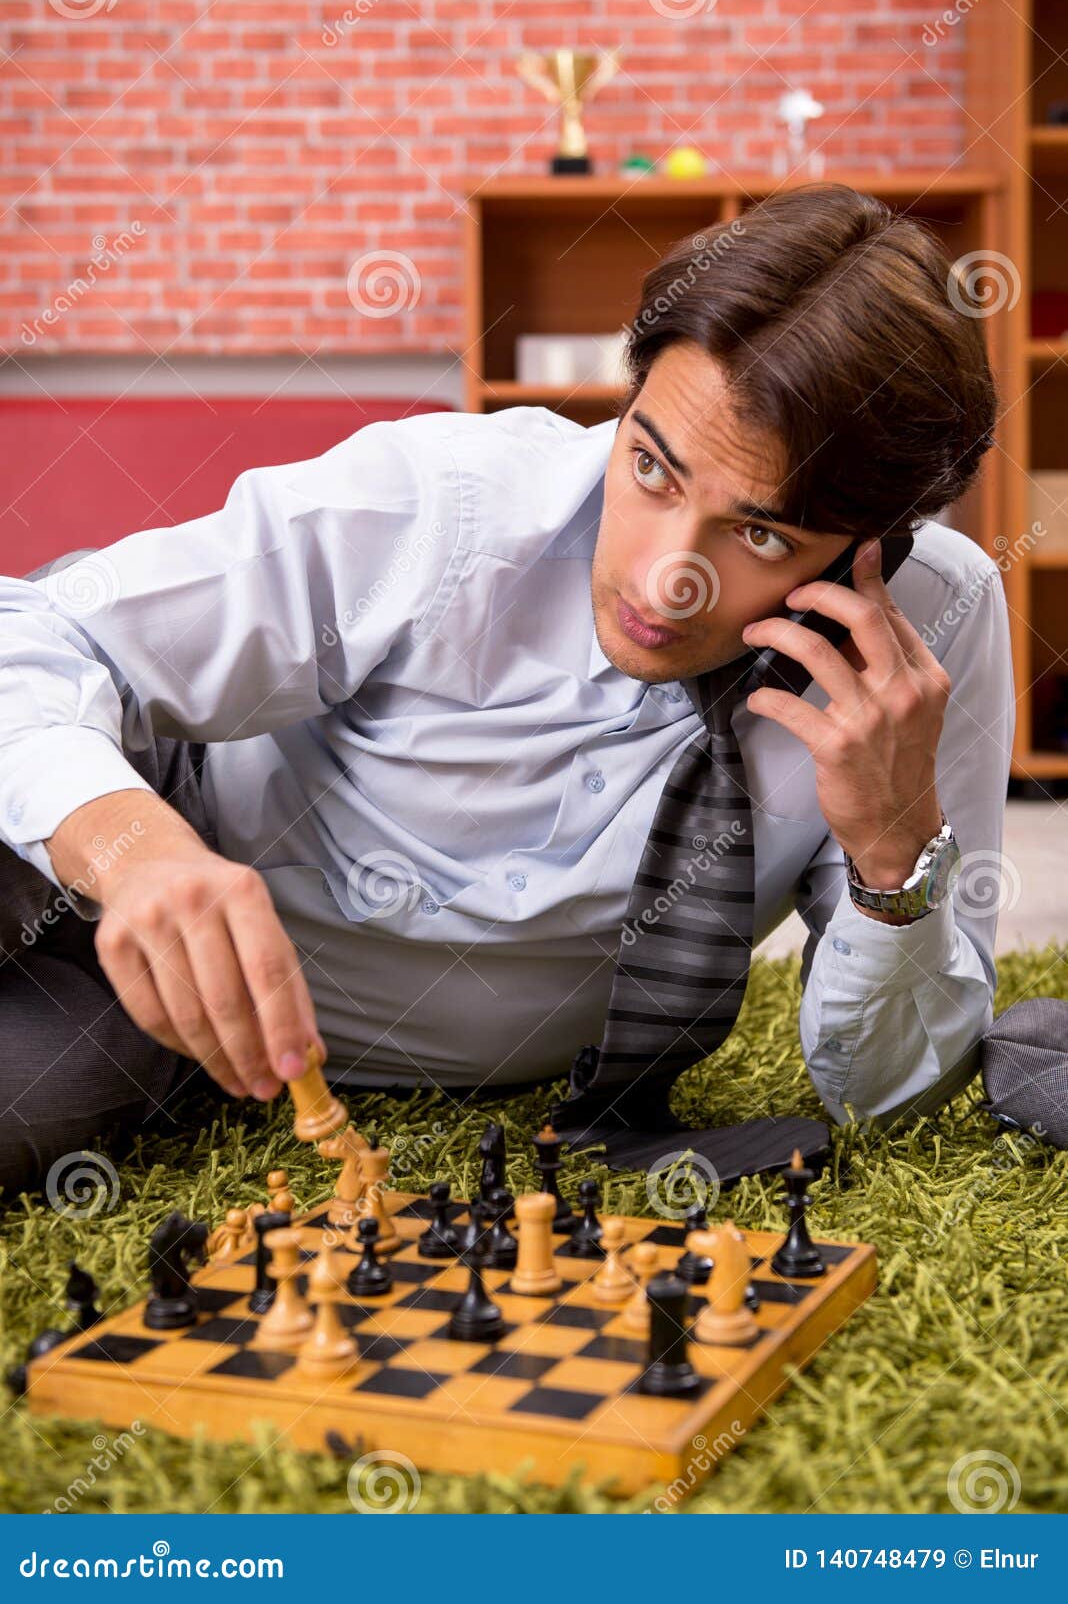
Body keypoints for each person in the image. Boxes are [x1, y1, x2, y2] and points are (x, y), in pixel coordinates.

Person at [0, 184, 1013, 1191]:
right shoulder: (444, 501)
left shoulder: (935, 627)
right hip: (120, 818)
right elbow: (36, 633)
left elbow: (889, 1103)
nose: (667, 580)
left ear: (873, 543)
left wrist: (893, 855)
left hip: (186, 1030)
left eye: (760, 533)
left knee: (26, 1102)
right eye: (651, 469)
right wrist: (133, 853)